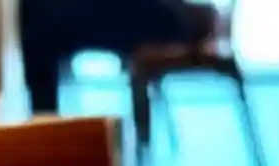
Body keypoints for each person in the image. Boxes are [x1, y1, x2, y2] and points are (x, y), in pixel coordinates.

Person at [19, 0, 220, 114]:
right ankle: (44, 123)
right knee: (43, 24)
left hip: (162, 17)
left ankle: (44, 122)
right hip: (164, 16)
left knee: (42, 30)